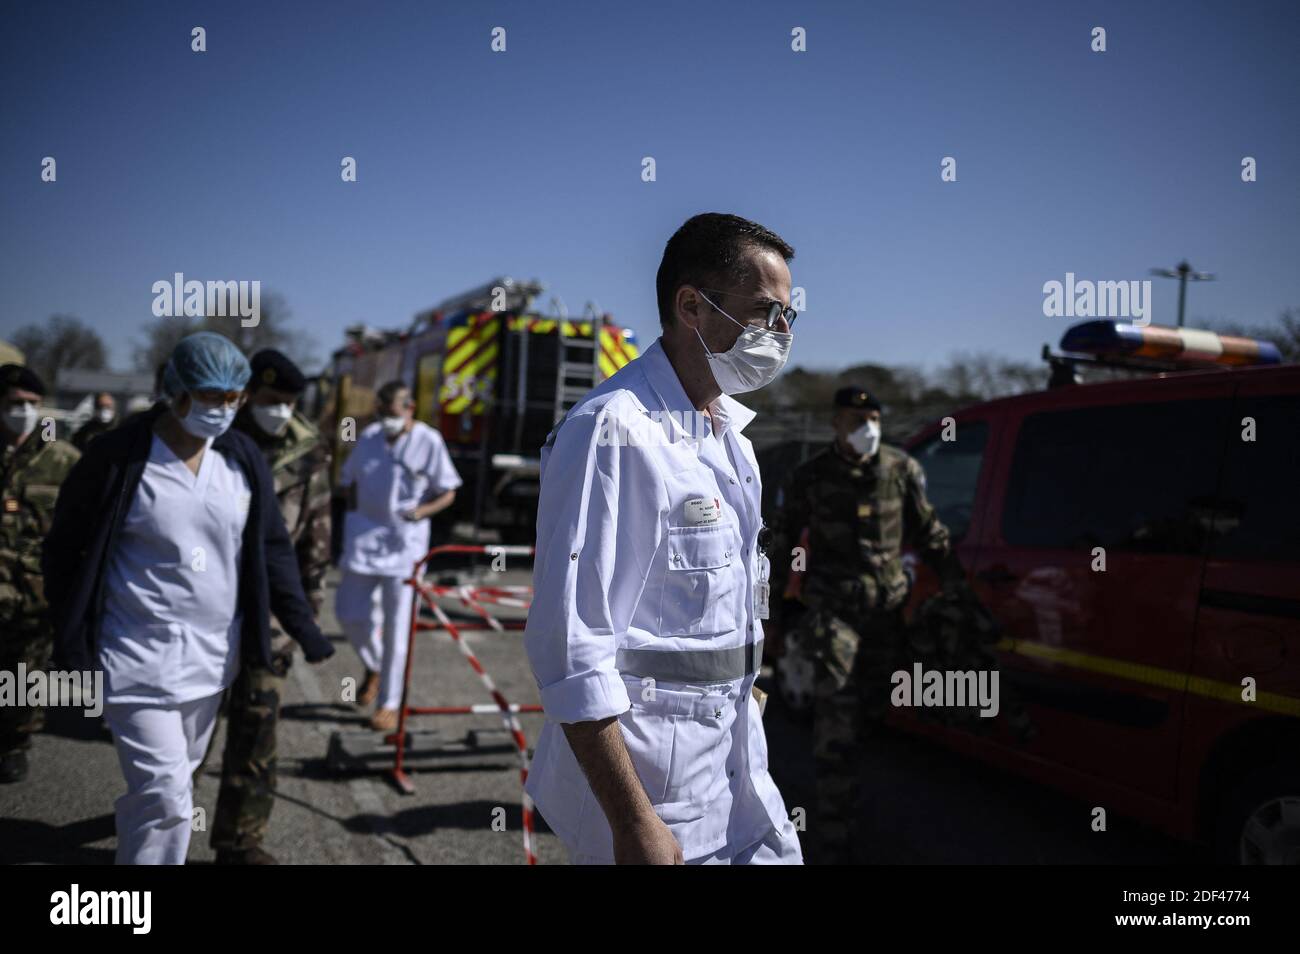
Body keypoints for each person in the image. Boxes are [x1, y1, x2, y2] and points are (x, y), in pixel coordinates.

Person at [523, 212, 803, 864]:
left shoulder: (734, 441)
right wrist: (632, 819)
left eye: (789, 317)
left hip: (737, 773)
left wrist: (747, 687)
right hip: (654, 794)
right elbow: (571, 649)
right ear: (692, 307)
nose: (781, 334)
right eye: (765, 312)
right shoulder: (613, 431)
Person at [43, 332, 335, 864]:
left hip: (211, 662)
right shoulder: (117, 457)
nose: (222, 410)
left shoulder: (239, 459)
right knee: (167, 796)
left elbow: (273, 549)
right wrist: (68, 633)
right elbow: (65, 549)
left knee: (167, 790)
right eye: (209, 396)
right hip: (134, 656)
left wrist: (305, 627)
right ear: (175, 390)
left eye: (232, 399)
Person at [767, 385, 964, 864]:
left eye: (872, 417)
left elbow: (931, 533)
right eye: (855, 419)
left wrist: (961, 590)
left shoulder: (901, 470)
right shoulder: (810, 477)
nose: (865, 428)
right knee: (836, 718)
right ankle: (834, 839)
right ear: (835, 423)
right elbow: (781, 543)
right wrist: (767, 613)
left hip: (887, 619)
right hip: (833, 617)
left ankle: (868, 810)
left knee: (875, 718)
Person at [208, 349, 331, 864]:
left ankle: (241, 840)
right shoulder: (212, 438)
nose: (279, 410)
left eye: (287, 403)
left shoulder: (307, 452)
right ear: (248, 396)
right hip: (208, 606)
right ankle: (159, 820)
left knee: (257, 729)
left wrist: (304, 616)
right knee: (190, 732)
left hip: (273, 614)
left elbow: (317, 537)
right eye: (269, 400)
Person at [335, 380, 461, 732]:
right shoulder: (370, 437)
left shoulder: (428, 441)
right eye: (382, 412)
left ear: (409, 409)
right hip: (365, 537)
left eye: (393, 413)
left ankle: (389, 702)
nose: (387, 419)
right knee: (348, 613)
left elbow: (448, 491)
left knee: (397, 628)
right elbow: (348, 482)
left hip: (405, 544)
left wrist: (421, 512)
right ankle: (375, 664)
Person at [0, 365, 80, 783]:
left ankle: (14, 742)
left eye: (32, 405)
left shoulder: (61, 459)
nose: (24, 412)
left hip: (33, 596)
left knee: (23, 677)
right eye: (15, 404)